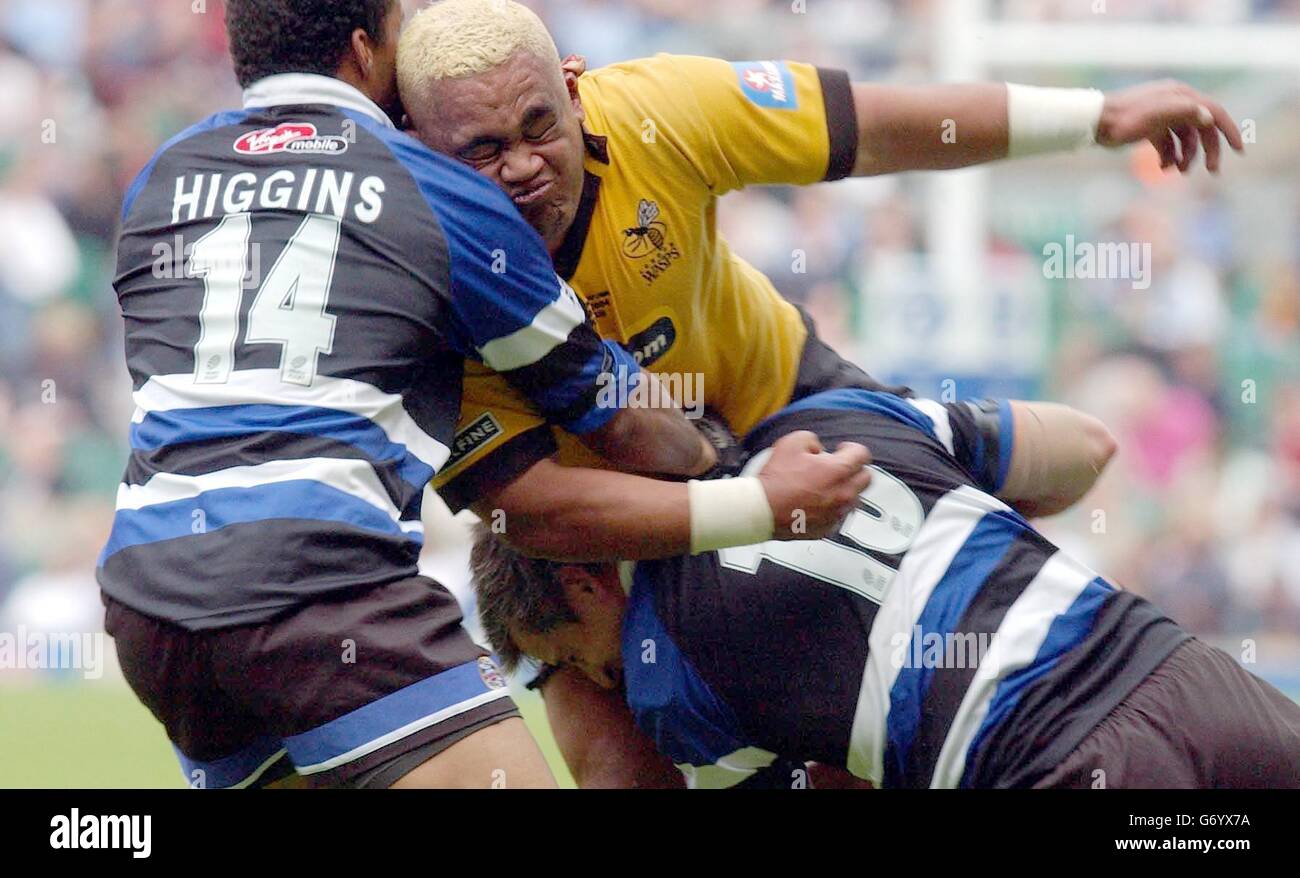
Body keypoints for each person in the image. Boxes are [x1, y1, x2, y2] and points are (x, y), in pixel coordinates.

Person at [395, 0, 1240, 785]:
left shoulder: (662, 109)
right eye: (481, 151)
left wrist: (1096, 119)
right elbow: (533, 509)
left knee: (943, 610)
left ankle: (946, 443)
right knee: (620, 753)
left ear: (575, 90)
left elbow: (874, 129)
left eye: (538, 126)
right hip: (601, 520)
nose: (522, 167)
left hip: (783, 405)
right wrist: (754, 510)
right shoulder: (415, 287)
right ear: (419, 150)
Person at [97, 0, 867, 790]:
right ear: (366, 49)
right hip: (319, 584)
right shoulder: (435, 188)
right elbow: (622, 422)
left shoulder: (159, 178)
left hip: (150, 603)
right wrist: (732, 471)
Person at [472, 390, 1300, 789]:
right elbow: (1086, 444)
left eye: (582, 662)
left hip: (1052, 764)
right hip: (1196, 682)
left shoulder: (666, 678)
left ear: (583, 583)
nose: (608, 681)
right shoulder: (842, 419)